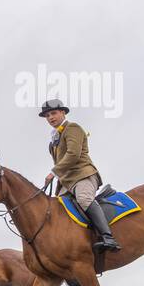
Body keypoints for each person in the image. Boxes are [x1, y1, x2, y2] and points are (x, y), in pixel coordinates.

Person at [39, 98, 120, 251]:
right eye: (47, 115)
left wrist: (53, 173)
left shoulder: (73, 128)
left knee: (83, 199)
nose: (50, 117)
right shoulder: (53, 140)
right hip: (67, 183)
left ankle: (107, 237)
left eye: (54, 113)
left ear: (63, 112)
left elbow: (73, 155)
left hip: (83, 175)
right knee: (56, 211)